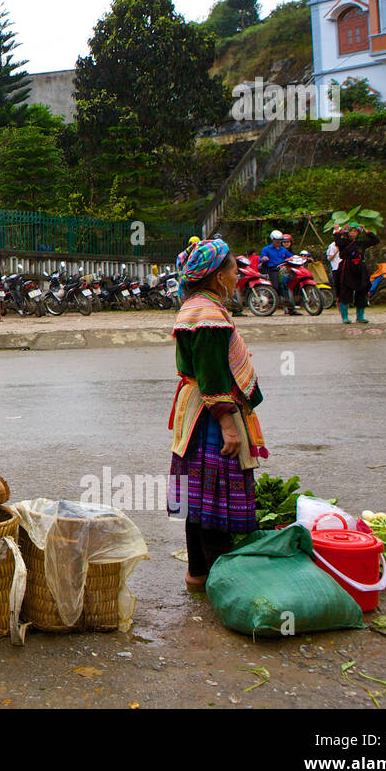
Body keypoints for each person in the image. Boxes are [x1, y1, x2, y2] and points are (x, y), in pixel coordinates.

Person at [167, 240, 269, 593]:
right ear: (217, 276)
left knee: (198, 498)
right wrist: (228, 425)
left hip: (198, 412)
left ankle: (198, 574)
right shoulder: (208, 315)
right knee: (214, 498)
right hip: (211, 413)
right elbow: (211, 375)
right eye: (233, 270)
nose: (237, 275)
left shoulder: (198, 306)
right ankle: (223, 582)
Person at [333, 223, 379, 324]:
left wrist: (367, 231)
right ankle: (345, 317)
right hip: (347, 267)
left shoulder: (360, 243)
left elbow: (375, 241)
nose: (354, 233)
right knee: (345, 291)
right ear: (347, 232)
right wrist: (337, 231)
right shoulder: (344, 242)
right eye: (351, 231)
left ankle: (360, 317)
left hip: (360, 268)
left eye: (356, 231)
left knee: (362, 291)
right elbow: (338, 241)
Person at [258, 230, 300, 315]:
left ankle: (290, 308)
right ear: (272, 240)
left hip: (283, 269)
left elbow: (291, 257)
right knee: (276, 287)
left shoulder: (283, 249)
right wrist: (263, 259)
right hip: (273, 270)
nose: (278, 242)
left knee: (290, 284)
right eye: (277, 240)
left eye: (280, 240)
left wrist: (300, 257)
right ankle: (277, 303)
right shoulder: (266, 249)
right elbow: (261, 259)